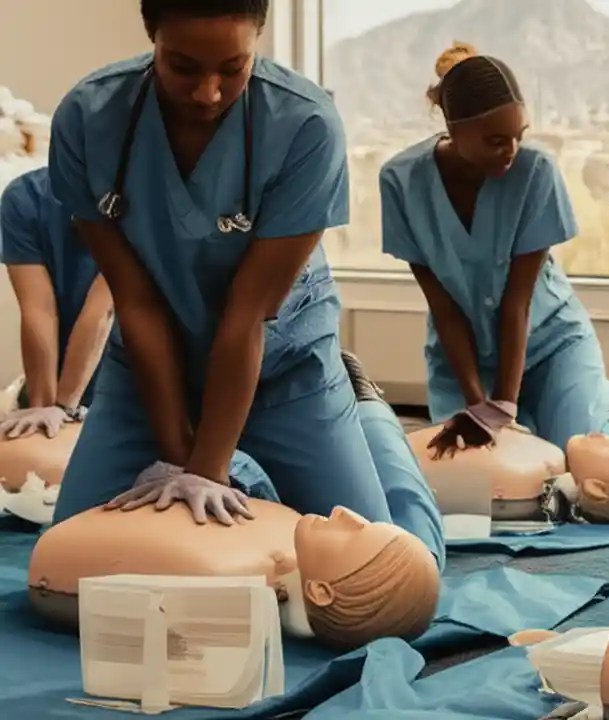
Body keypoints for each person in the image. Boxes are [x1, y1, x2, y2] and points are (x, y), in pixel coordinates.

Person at [44, 0, 442, 551]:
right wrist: (176, 460)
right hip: (148, 369)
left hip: (284, 366)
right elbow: (135, 302)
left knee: (387, 566)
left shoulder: (304, 125)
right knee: (67, 557)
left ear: (259, 40)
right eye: (182, 67)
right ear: (152, 38)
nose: (208, 92)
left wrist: (208, 472)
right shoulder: (88, 119)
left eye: (233, 68)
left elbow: (248, 313)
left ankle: (371, 420)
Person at [380, 42, 609, 459]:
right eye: (496, 140)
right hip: (461, 355)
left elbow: (517, 304)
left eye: (518, 136)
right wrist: (476, 403)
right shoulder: (400, 181)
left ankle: (607, 409)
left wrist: (502, 405)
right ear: (453, 127)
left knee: (583, 460)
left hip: (550, 341)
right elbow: (443, 307)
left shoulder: (536, 172)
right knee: (476, 474)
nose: (511, 151)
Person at [0, 167, 111, 439]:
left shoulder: (147, 201)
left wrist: (64, 405)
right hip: (53, 381)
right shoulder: (26, 197)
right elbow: (39, 309)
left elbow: (103, 309)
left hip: (127, 389)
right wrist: (43, 407)